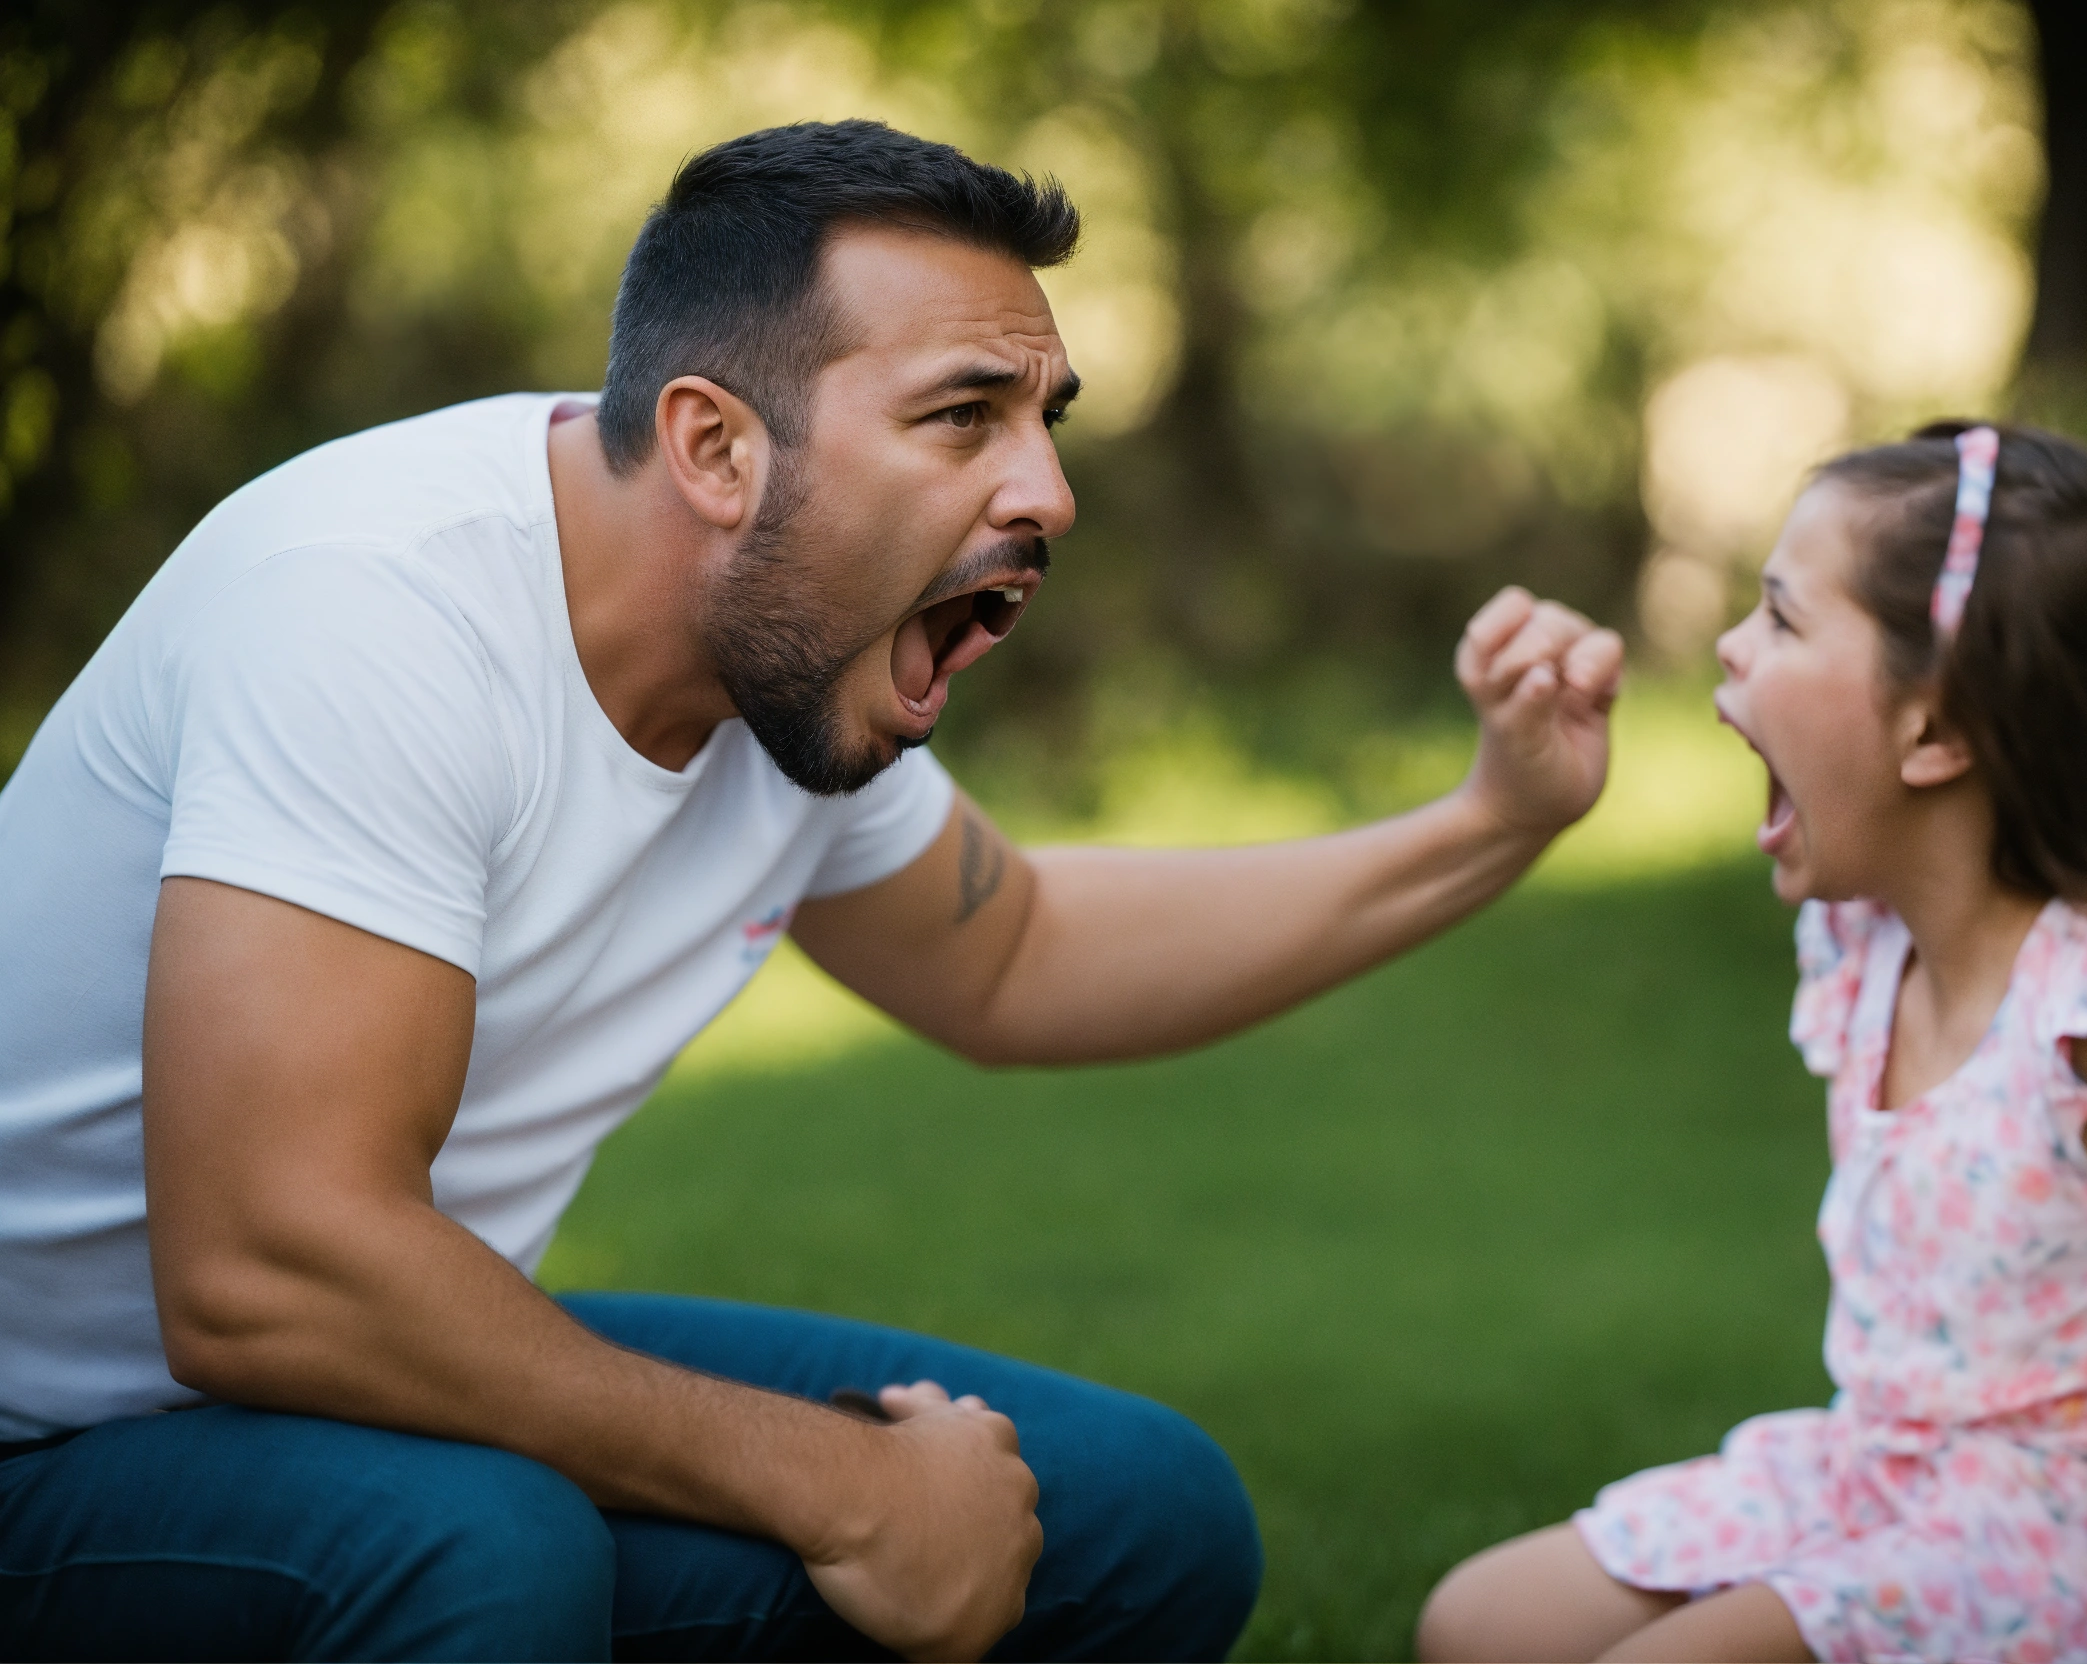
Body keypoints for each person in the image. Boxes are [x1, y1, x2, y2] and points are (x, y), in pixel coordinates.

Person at [0, 120, 1626, 1662]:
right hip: (52, 1438)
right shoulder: (374, 613)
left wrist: (1491, 819)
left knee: (1135, 1510)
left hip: (353, 1399)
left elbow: (1022, 954)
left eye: (1044, 418)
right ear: (714, 443)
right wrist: (842, 1483)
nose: (1047, 493)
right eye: (962, 412)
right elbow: (270, 1268)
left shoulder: (788, 673)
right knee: (476, 1541)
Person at [1414, 423, 2087, 1664]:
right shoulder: (1869, 939)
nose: (1729, 644)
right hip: (1893, 1468)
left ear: (1935, 727)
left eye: (1781, 619)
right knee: (1478, 1625)